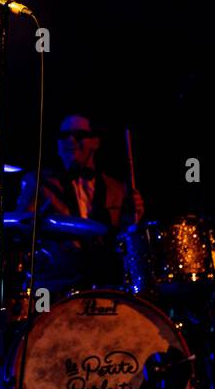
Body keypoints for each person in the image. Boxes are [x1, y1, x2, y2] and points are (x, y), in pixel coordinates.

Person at [16, 112, 144, 291]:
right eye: (64, 136)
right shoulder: (38, 182)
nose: (70, 140)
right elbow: (21, 229)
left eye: (79, 135)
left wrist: (132, 222)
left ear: (96, 142)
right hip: (55, 284)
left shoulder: (118, 189)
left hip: (105, 283)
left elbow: (123, 242)